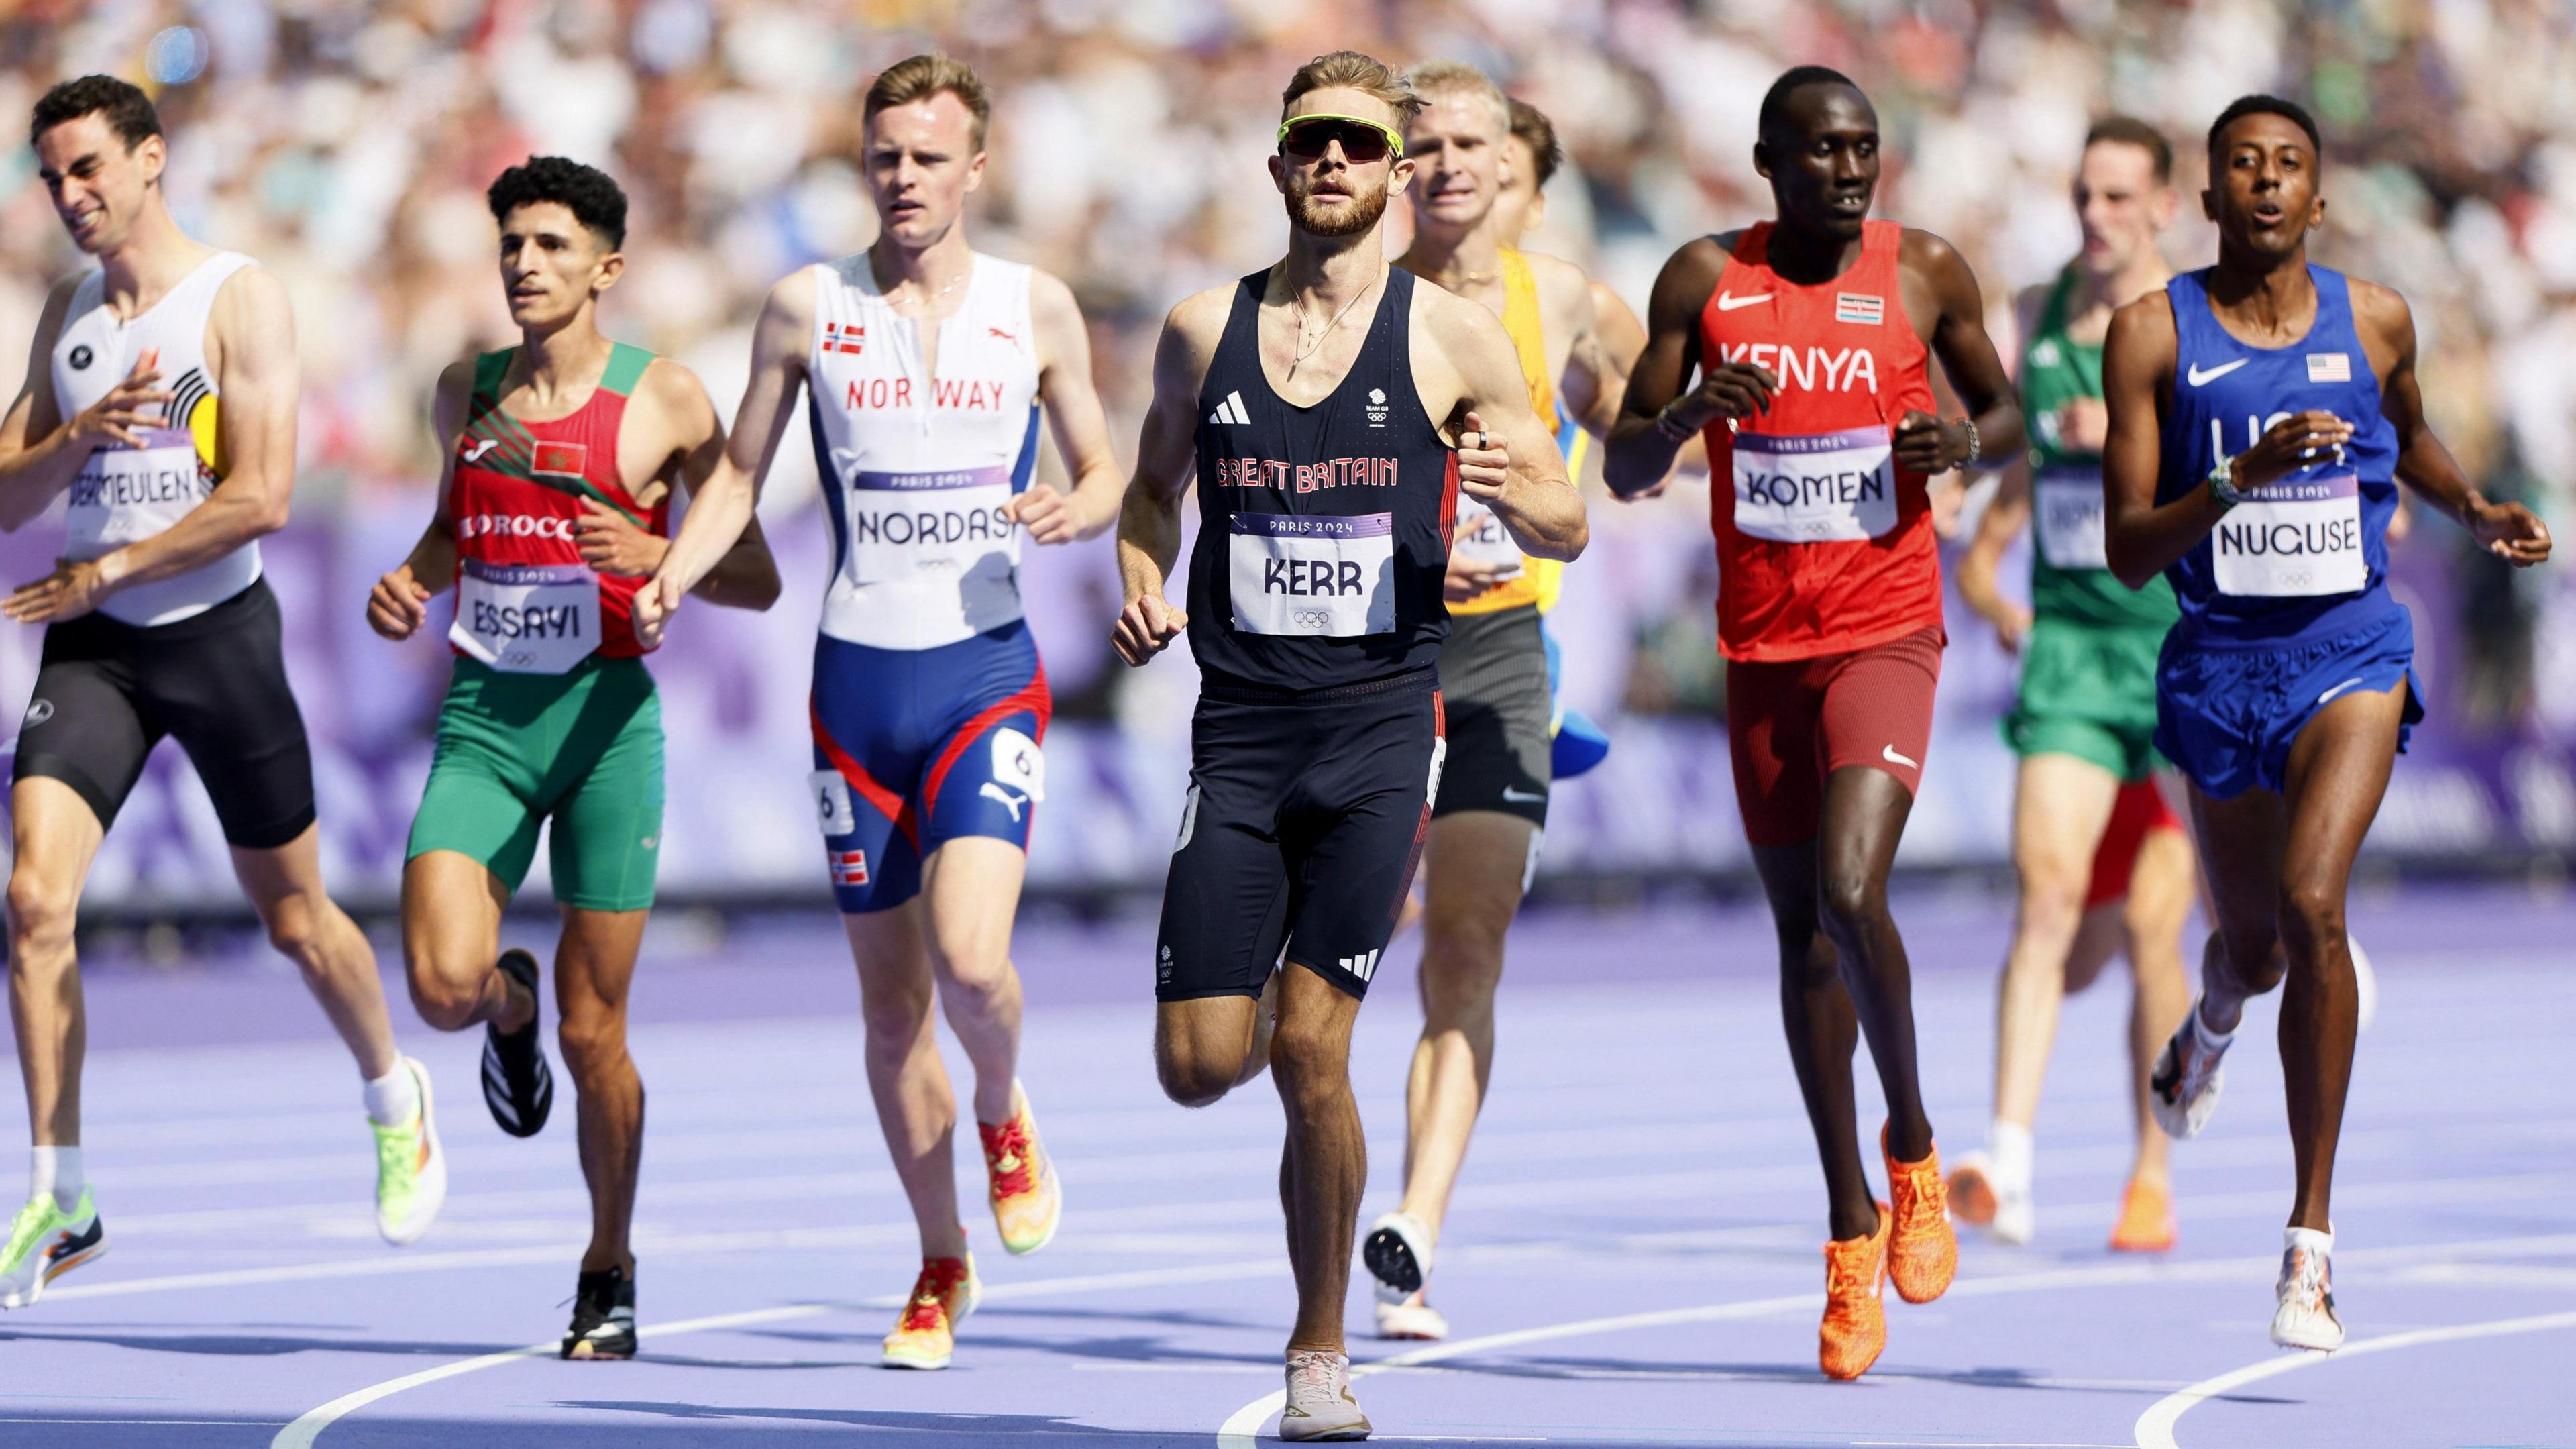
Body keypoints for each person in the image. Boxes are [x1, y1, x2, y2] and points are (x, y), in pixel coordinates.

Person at [1113, 50, 1585, 1440]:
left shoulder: (1450, 337)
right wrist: (1142, 575)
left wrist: (1521, 489)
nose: (1333, 164)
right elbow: (1151, 495)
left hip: (1384, 735)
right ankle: (1288, 1039)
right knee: (1202, 1064)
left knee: (1316, 1048)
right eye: (1310, 142)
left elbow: (1564, 519)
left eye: (1359, 148)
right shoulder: (1205, 330)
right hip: (1243, 740)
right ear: (1278, 169)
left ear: (1390, 178)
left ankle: (1319, 1351)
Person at [639, 54, 1120, 1371]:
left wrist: (1084, 500)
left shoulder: (1039, 307)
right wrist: (677, 572)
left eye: (927, 156)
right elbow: (739, 476)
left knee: (973, 961)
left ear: (978, 167)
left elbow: (1107, 458)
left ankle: (1007, 1110)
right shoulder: (806, 306)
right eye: (884, 157)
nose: (903, 179)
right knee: (892, 1007)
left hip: (982, 674)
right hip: (855, 689)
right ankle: (937, 1258)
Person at [2102, 94, 2548, 1352]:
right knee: (2254, 949)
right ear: (2207, 197)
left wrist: (2472, 509)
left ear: (2319, 195)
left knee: (2315, 907)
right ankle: (2212, 1026)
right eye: (2240, 166)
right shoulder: (2150, 335)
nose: (2265, 184)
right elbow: (2130, 550)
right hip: (2218, 663)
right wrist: (2241, 475)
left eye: (2288, 166)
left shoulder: (2378, 316)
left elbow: (2409, 437)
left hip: (2351, 646)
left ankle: (2311, 1245)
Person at [1604, 66, 2024, 1381]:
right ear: (1768, 161)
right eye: (1826, 152)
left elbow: (2002, 416)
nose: (1852, 171)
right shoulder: (1701, 282)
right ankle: (1846, 1224)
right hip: (1759, 650)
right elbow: (1623, 463)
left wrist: (1956, 445)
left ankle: (1913, 1147)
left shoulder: (1925, 271)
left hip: (1887, 629)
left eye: (1867, 150)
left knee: (1852, 889)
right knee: (1802, 938)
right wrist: (1681, 418)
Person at [0, 76, 443, 1309]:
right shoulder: (69, 314)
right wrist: (75, 442)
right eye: (52, 178)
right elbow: (4, 493)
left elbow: (263, 498)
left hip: (215, 639)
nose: (71, 196)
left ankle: (391, 1092)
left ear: (152, 161)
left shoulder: (238, 297)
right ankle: (62, 1187)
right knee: (34, 899)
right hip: (96, 654)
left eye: (90, 168)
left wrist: (111, 567)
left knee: (296, 921)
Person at [367, 156, 778, 1358]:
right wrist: (408, 580)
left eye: (550, 247)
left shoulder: (670, 403)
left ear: (606, 268)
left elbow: (753, 577)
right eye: (512, 246)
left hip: (606, 732)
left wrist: (655, 552)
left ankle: (608, 1265)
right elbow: (453, 533)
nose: (524, 267)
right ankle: (508, 1010)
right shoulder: (464, 392)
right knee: (442, 987)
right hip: (488, 722)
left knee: (600, 1036)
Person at [1360, 63, 1627, 1344]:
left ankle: (1416, 1223)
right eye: (1435, 145)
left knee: (1463, 948)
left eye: (1483, 147)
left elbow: (1635, 441)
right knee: (1327, 961)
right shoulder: (1349, 297)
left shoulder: (1563, 297)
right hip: (1366, 656)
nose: (1462, 167)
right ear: (1396, 163)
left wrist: (1694, 424)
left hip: (1507, 649)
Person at [1947, 117, 2194, 1254]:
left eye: (2116, 198)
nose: (2094, 216)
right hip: (2071, 661)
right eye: (2082, 194)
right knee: (2043, 901)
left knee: (2145, 941)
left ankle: (2153, 1169)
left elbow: (2231, 474)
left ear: (2160, 208)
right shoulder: (2040, 314)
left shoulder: (2189, 323)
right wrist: (1993, 581)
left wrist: (2133, 442)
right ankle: (2009, 1158)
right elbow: (2009, 470)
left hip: (2179, 657)